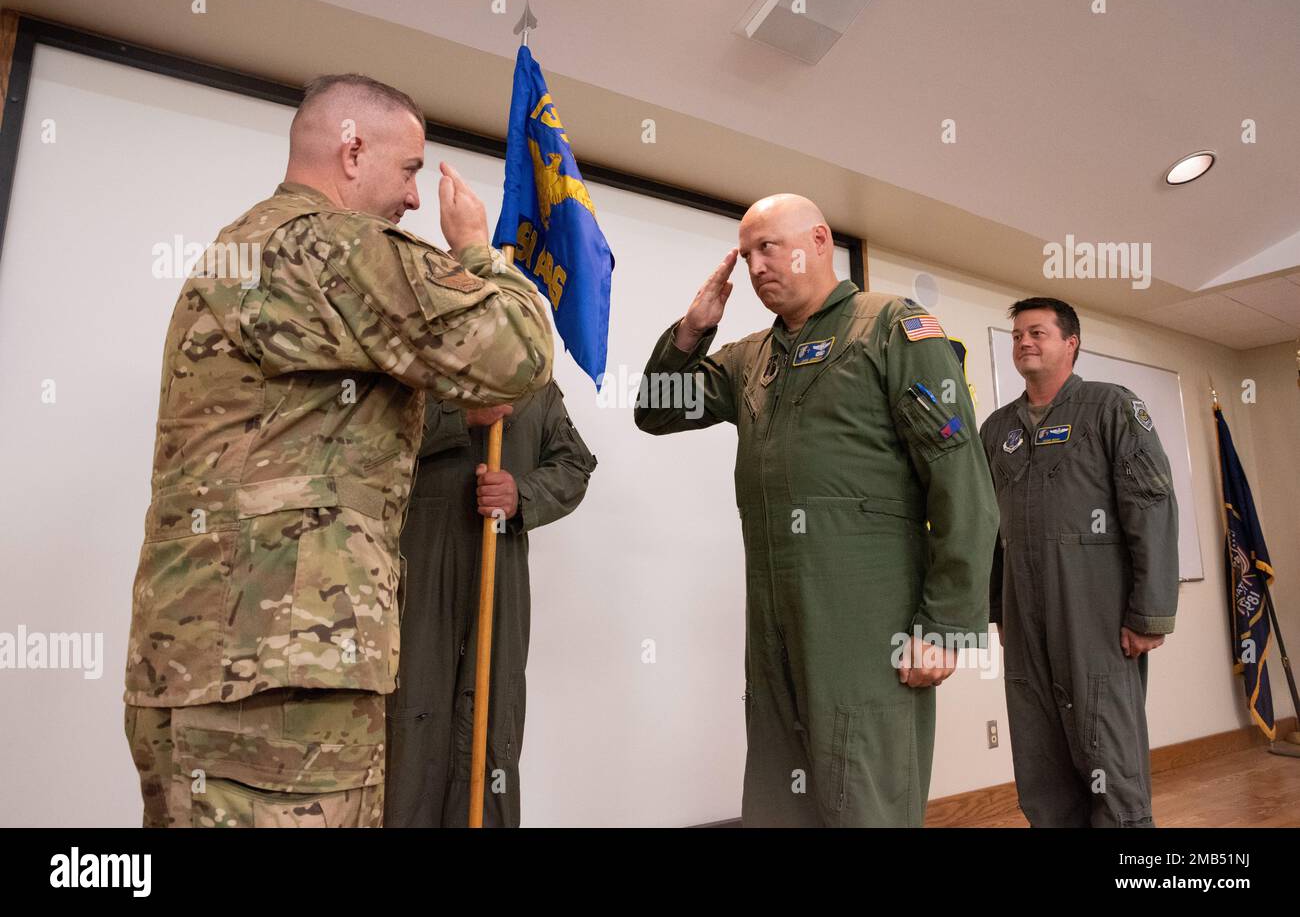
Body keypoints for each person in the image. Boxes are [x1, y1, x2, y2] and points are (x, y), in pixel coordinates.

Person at [123, 73, 554, 827]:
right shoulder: (337, 245)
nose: (416, 197)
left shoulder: (232, 252)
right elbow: (518, 350)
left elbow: (305, 418)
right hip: (286, 683)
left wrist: (442, 391)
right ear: (352, 149)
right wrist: (480, 252)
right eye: (411, 169)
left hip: (184, 663)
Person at [634, 193, 999, 826]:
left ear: (821, 239)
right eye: (746, 256)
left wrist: (945, 624)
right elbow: (657, 410)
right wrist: (693, 331)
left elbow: (959, 477)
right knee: (782, 802)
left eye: (768, 248)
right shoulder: (751, 356)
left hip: (865, 626)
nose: (754, 269)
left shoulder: (892, 328)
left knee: (865, 799)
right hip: (775, 626)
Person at [979, 297, 1178, 827]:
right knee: (1040, 759)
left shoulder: (1110, 407)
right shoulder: (997, 430)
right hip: (1025, 620)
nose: (1024, 341)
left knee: (1108, 754)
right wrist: (999, 608)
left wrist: (1148, 612)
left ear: (1071, 343)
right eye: (1018, 333)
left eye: (1038, 332)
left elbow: (1150, 503)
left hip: (1096, 615)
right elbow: (988, 528)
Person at [384, 382, 596, 827]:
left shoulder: (534, 386)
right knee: (413, 714)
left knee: (492, 713)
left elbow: (575, 464)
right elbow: (368, 438)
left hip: (501, 565)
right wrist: (458, 417)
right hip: (418, 565)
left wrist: (523, 495)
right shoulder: (416, 370)